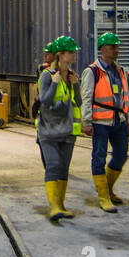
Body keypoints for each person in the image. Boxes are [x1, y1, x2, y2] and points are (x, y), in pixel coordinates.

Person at [81, 32, 129, 213]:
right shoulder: (92, 71)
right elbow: (87, 97)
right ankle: (103, 197)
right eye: (113, 47)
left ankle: (108, 189)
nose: (116, 50)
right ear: (102, 49)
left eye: (117, 47)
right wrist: (86, 121)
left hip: (119, 121)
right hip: (100, 122)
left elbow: (125, 96)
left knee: (121, 155)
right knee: (99, 157)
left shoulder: (120, 71)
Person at [36, 36, 82, 221]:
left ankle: (61, 205)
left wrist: (76, 84)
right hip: (49, 130)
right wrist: (55, 84)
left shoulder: (71, 75)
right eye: (71, 52)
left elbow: (78, 101)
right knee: (53, 165)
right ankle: (53, 206)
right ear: (61, 55)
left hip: (68, 130)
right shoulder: (47, 76)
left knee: (63, 168)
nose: (74, 55)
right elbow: (45, 100)